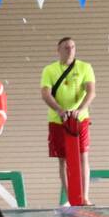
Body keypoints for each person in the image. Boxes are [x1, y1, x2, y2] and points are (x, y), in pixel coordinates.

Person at [40, 37, 95, 206]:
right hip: (57, 120)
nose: (70, 50)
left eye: (72, 47)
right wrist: (59, 109)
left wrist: (79, 109)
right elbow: (45, 94)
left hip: (80, 119)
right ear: (59, 50)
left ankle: (84, 196)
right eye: (66, 47)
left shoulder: (85, 67)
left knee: (83, 155)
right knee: (62, 159)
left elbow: (91, 92)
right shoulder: (49, 70)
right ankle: (70, 197)